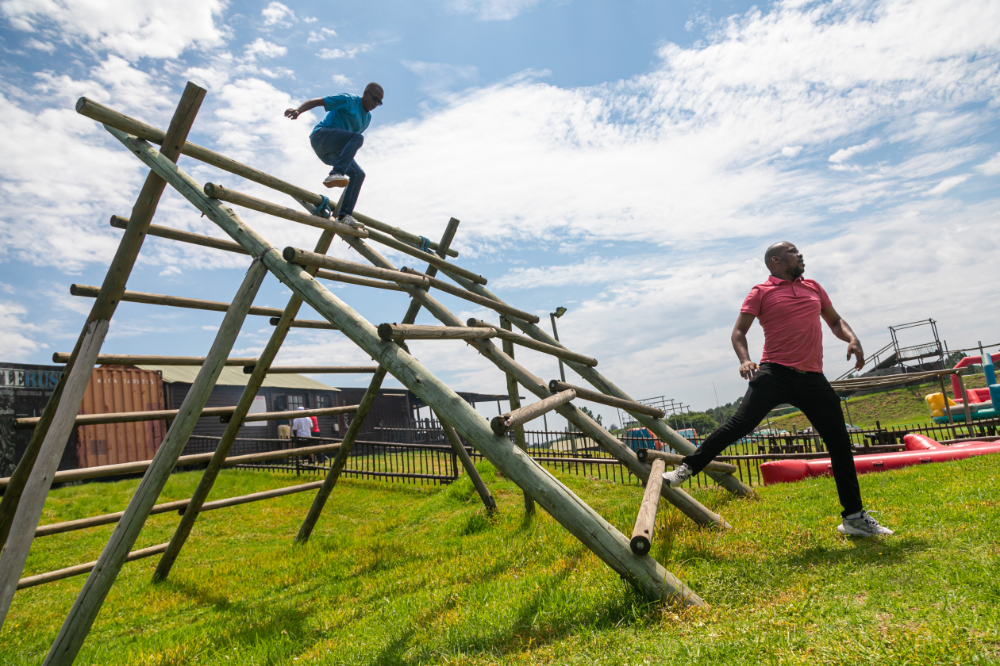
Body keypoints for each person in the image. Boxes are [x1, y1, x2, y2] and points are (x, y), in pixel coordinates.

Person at [663, 242, 894, 537]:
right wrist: (745, 360)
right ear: (776, 260)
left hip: (813, 378)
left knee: (839, 442)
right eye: (794, 252)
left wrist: (852, 338)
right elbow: (738, 332)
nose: (800, 255)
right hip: (775, 373)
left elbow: (835, 321)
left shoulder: (813, 287)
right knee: (739, 425)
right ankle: (685, 469)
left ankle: (854, 518)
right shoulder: (761, 292)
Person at [284, 83, 384, 226]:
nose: (375, 103)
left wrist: (347, 161)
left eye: (379, 102)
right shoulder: (349, 100)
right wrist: (298, 110)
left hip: (331, 154)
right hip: (321, 137)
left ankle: (344, 215)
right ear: (365, 92)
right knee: (357, 138)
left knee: (358, 174)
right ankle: (336, 173)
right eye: (374, 99)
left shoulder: (367, 119)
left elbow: (348, 144)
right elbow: (318, 101)